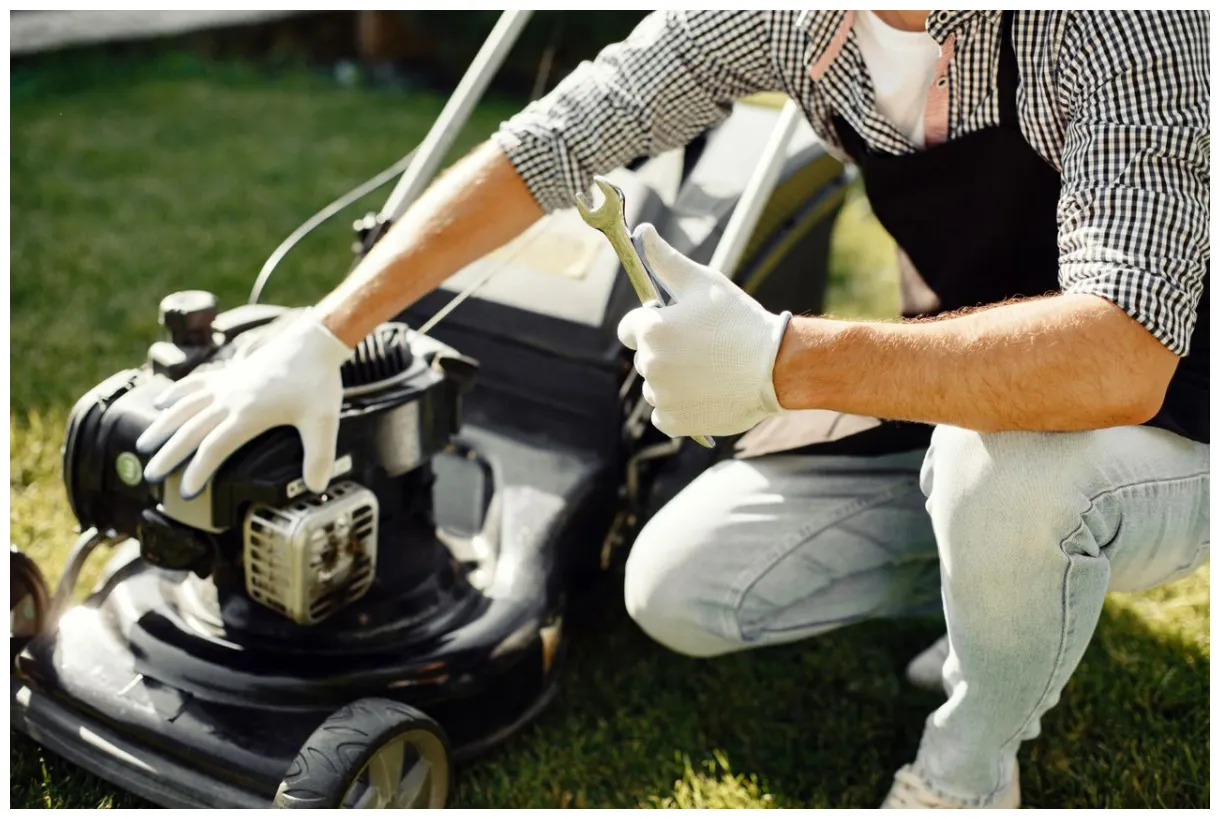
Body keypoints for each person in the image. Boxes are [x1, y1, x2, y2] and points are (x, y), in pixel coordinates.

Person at [135, 11, 1210, 809]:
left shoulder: (1128, 26)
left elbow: (1119, 355)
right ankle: (999, 591)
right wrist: (324, 333)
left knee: (1010, 472)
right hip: (947, 397)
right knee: (680, 587)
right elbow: (555, 140)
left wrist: (784, 358)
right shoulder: (799, 21)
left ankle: (970, 764)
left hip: (1165, 428)